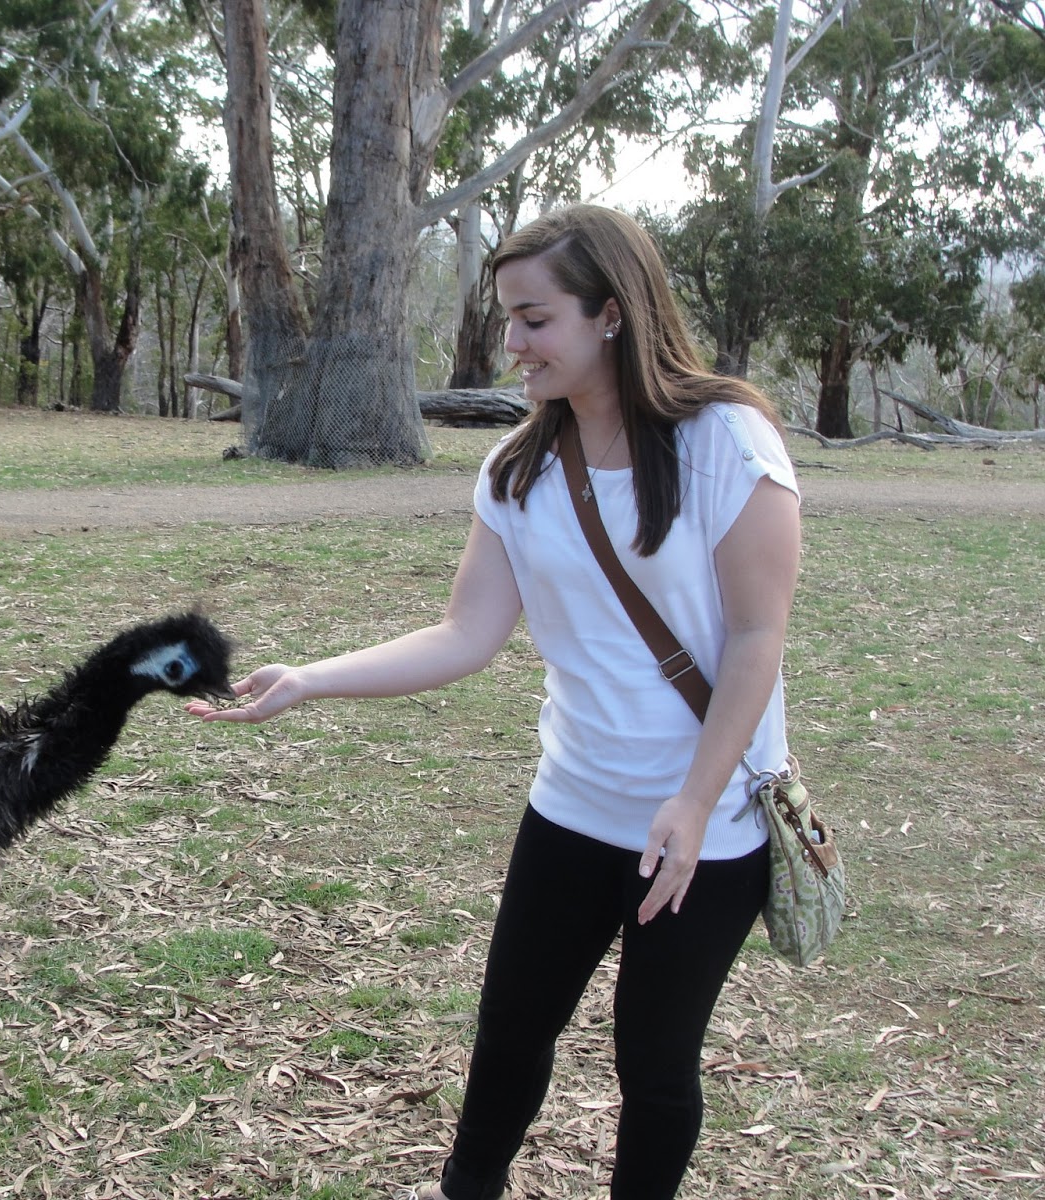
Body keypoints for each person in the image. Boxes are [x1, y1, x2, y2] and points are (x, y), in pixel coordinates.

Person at [185, 204, 801, 1200]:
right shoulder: (516, 471)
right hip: (572, 807)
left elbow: (754, 640)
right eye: (507, 319)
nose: (510, 344)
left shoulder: (725, 440)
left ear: (611, 314)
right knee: (511, 1030)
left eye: (534, 319)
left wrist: (692, 804)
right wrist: (309, 679)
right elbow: (465, 634)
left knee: (653, 1063)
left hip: (704, 825)